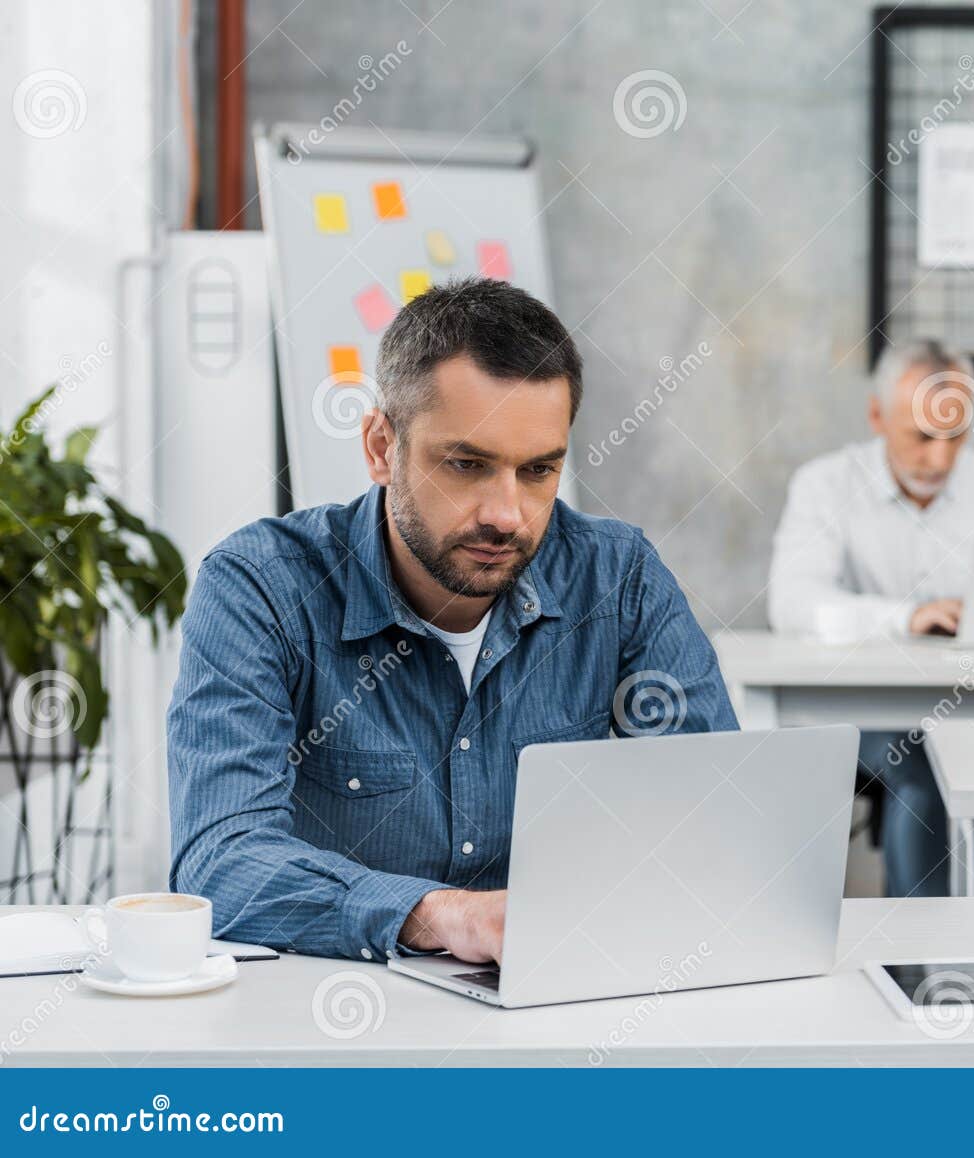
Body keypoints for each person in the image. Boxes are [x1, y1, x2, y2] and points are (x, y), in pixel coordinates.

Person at [167, 278, 736, 965]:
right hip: (333, 1019)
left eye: (538, 471)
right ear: (381, 446)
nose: (507, 513)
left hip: (556, 1008)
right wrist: (441, 917)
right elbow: (221, 862)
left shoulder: (618, 579)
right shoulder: (261, 588)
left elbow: (714, 815)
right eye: (467, 465)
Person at [768, 339, 974, 897]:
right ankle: (924, 962)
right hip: (863, 711)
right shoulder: (824, 485)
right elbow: (792, 602)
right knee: (927, 761)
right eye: (922, 436)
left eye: (956, 436)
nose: (940, 460)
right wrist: (908, 618)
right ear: (877, 416)